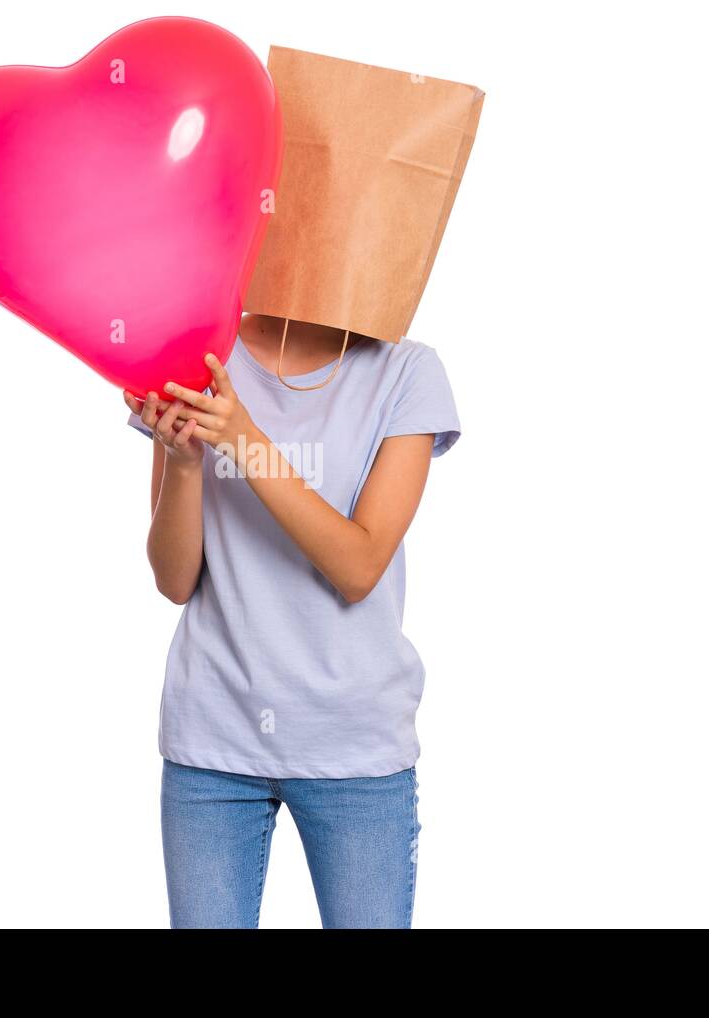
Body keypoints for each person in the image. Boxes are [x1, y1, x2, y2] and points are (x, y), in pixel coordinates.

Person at [124, 311, 460, 928]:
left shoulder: (407, 371)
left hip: (356, 749)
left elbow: (358, 567)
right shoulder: (198, 354)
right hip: (213, 740)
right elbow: (175, 581)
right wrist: (185, 461)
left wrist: (244, 439)